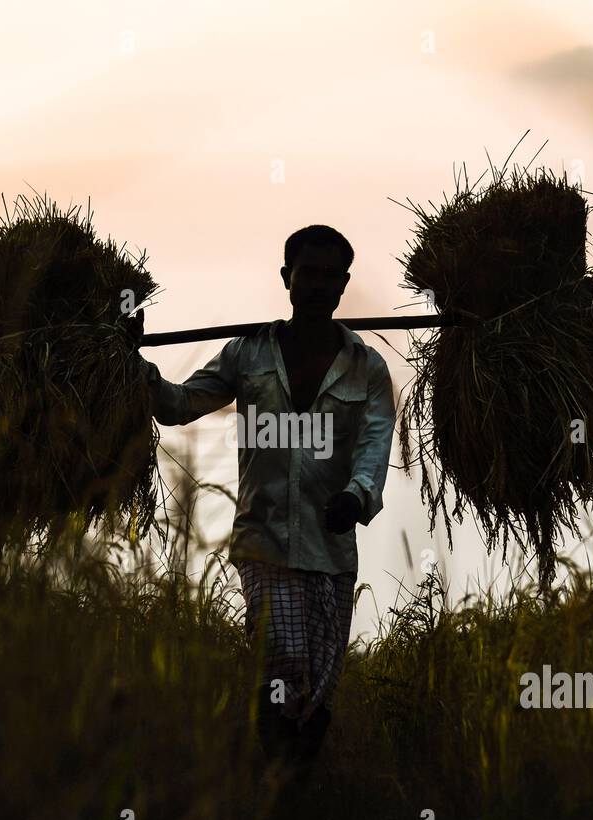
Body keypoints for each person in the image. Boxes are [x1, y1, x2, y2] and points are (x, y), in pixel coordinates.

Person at [130, 224, 395, 786]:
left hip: (332, 550)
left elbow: (374, 446)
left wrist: (355, 495)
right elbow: (178, 405)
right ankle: (273, 788)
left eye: (331, 277)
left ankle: (290, 791)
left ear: (344, 285)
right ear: (287, 279)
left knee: (318, 689)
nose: (319, 286)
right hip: (264, 544)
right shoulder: (247, 356)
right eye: (309, 274)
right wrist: (130, 363)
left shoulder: (366, 368)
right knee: (282, 670)